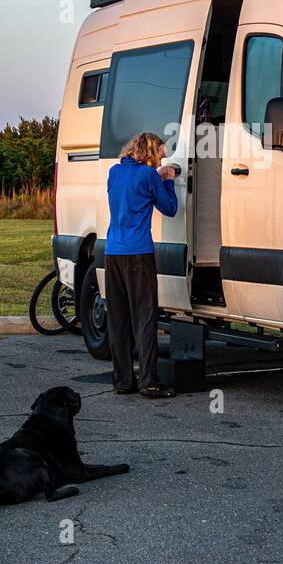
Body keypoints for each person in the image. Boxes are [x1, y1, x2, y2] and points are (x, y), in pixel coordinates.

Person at [104, 132, 178, 398]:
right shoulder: (149, 177)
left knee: (119, 319)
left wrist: (154, 177)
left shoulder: (114, 172)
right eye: (161, 154)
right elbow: (169, 208)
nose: (163, 158)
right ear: (152, 154)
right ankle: (149, 382)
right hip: (139, 254)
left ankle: (123, 380)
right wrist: (167, 180)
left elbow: (131, 191)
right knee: (145, 318)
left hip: (113, 253)